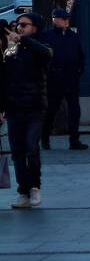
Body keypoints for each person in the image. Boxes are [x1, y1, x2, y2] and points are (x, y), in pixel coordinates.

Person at [1, 12, 52, 207]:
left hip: (35, 106)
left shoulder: (40, 47)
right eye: (18, 25)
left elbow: (46, 54)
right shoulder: (11, 50)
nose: (19, 28)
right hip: (14, 107)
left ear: (35, 28)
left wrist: (22, 40)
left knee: (31, 147)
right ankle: (23, 190)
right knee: (17, 152)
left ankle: (34, 188)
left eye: (24, 25)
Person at [40, 8, 88, 151]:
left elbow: (80, 56)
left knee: (74, 110)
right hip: (54, 78)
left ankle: (74, 139)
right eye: (63, 19)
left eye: (66, 19)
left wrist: (78, 71)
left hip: (71, 78)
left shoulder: (72, 36)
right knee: (51, 110)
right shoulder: (47, 36)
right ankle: (45, 136)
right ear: (56, 20)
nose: (66, 22)